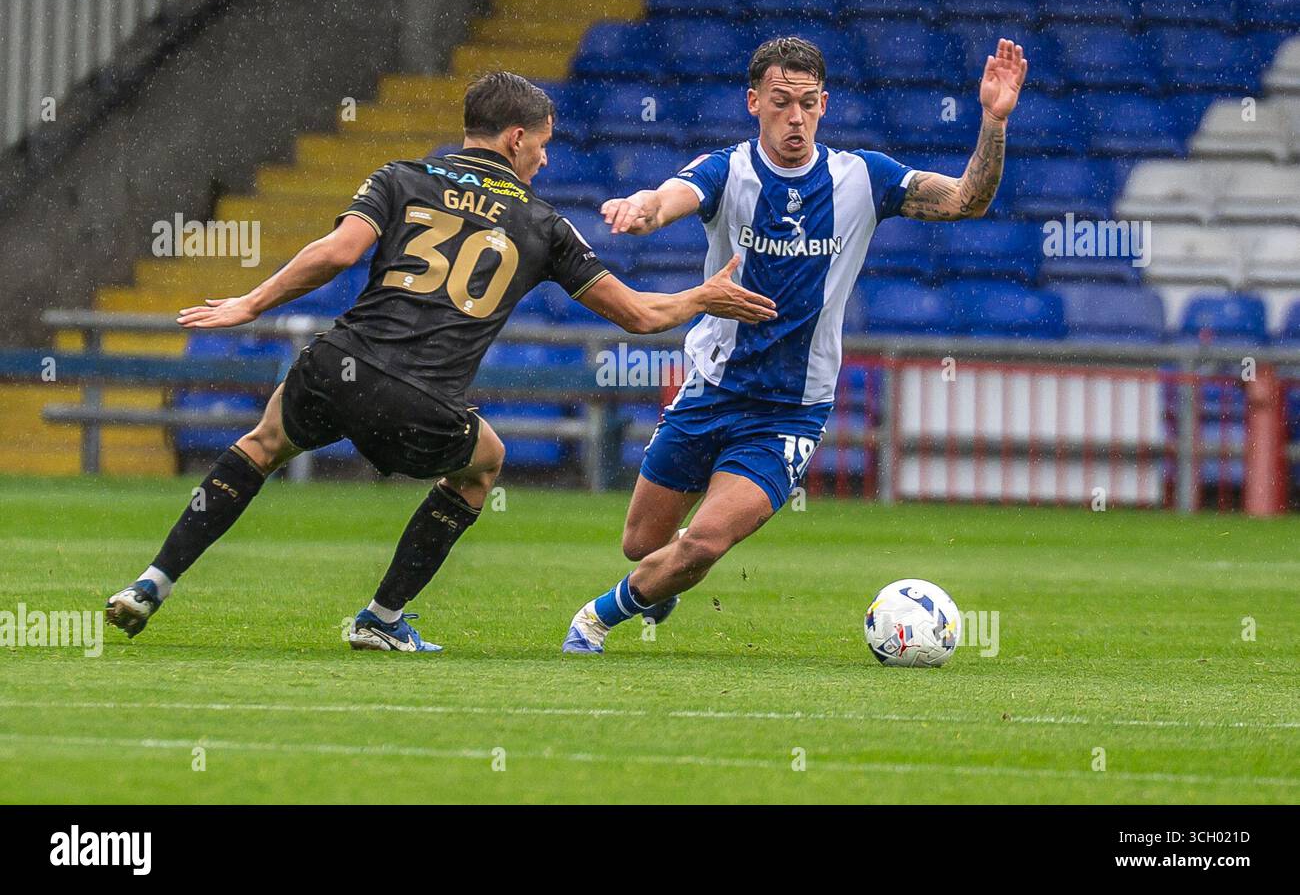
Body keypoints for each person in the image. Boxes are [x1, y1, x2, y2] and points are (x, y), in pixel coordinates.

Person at [105, 70, 776, 653]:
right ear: (516, 138)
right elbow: (639, 315)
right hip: (422, 403)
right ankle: (382, 618)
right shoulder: (542, 224)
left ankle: (151, 582)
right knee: (484, 463)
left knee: (261, 444)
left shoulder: (402, 177)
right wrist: (703, 295)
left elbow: (337, 253)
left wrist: (251, 303)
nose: (543, 160)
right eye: (542, 145)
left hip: (340, 362)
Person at [563, 36, 1027, 653]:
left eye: (808, 103)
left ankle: (594, 620)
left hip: (789, 411)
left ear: (824, 104)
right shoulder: (726, 170)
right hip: (710, 388)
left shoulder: (863, 178)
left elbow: (968, 200)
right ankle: (657, 581)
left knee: (702, 543)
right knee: (643, 546)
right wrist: (640, 207)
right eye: (781, 102)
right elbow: (668, 200)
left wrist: (993, 120)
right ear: (754, 102)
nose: (796, 118)